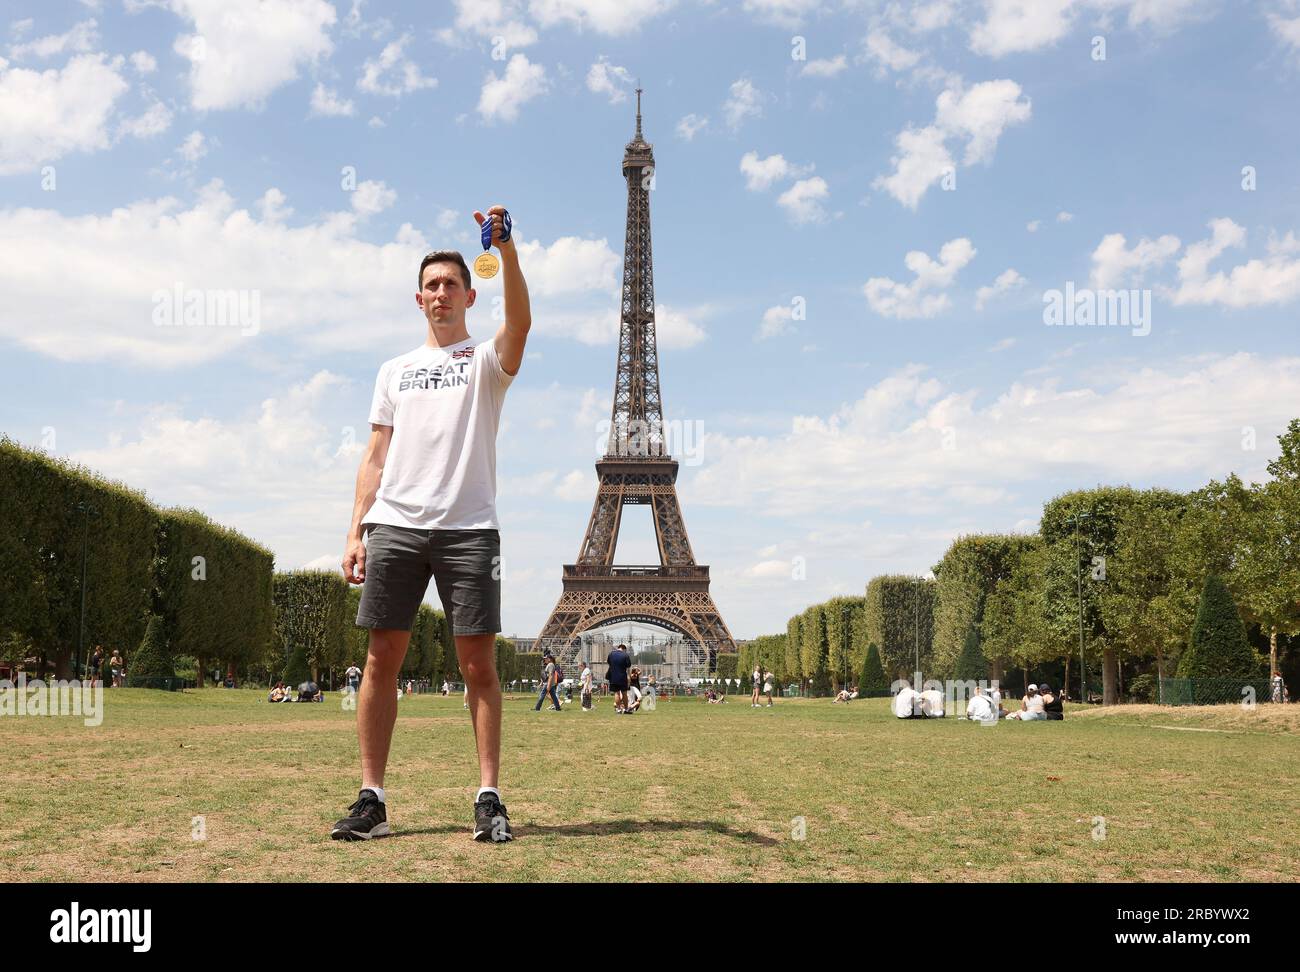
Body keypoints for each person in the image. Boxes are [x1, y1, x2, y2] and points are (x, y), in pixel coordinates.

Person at [334, 215, 531, 844]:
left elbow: (521, 325)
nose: (441, 293)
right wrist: (356, 529)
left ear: (470, 295)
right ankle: (372, 799)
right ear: (418, 298)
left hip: (469, 527)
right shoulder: (392, 370)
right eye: (431, 285)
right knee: (379, 660)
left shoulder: (485, 361)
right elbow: (374, 455)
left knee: (478, 667)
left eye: (451, 283)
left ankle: (489, 796)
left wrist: (508, 253)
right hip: (395, 523)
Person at [606, 643, 632, 713]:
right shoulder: (625, 655)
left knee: (617, 693)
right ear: (624, 649)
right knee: (624, 693)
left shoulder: (611, 654)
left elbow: (609, 662)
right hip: (622, 677)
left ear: (618, 647)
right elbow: (628, 665)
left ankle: (618, 709)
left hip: (613, 677)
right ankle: (626, 709)